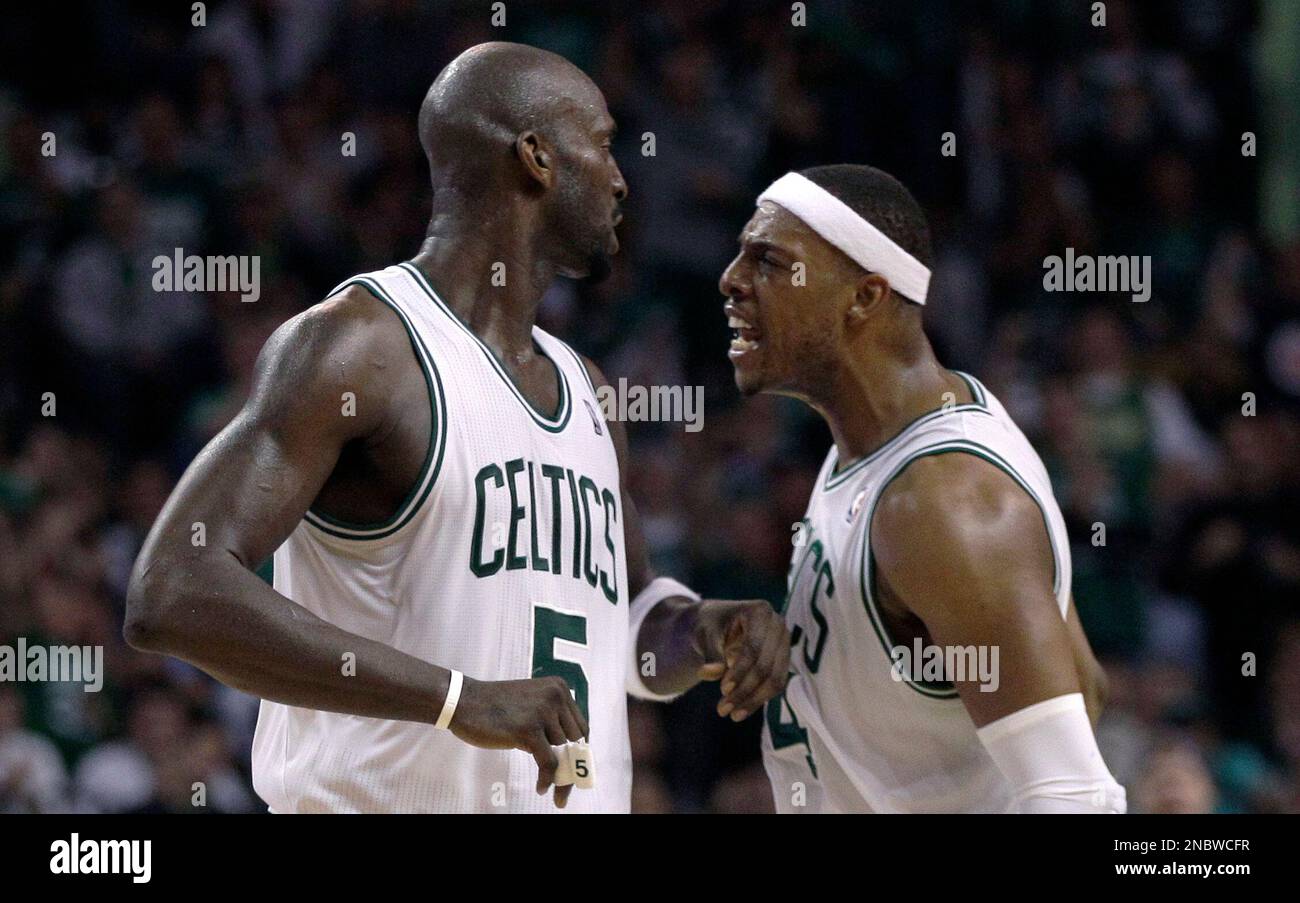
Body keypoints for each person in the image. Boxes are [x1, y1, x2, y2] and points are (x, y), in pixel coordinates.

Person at [125, 42, 788, 813]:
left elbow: (630, 624)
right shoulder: (361, 346)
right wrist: (454, 698)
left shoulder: (588, 393)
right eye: (603, 146)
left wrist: (703, 629)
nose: (620, 177)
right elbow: (173, 590)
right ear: (537, 158)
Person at [719, 164, 1125, 813]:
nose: (732, 281)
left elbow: (1071, 793)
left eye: (767, 260)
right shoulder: (870, 448)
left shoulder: (943, 500)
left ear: (864, 296)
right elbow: (1085, 681)